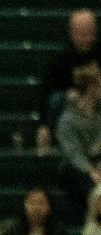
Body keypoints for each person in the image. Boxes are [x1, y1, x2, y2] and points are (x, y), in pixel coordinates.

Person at [37, 9, 101, 153]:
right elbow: (47, 92)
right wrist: (43, 125)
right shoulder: (60, 60)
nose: (85, 36)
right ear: (71, 32)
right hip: (70, 110)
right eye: (80, 31)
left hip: (97, 109)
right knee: (56, 99)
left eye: (88, 31)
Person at [55, 63, 101, 212]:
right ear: (90, 87)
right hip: (74, 168)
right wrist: (90, 171)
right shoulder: (67, 118)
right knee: (89, 186)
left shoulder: (97, 114)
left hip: (95, 163)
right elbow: (73, 153)